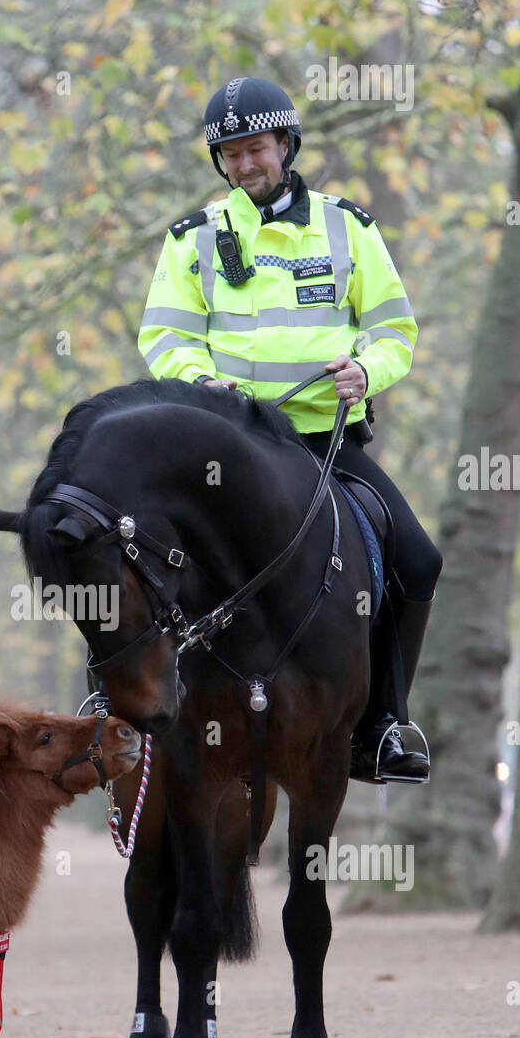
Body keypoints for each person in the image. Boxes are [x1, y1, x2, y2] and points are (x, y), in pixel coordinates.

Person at [137, 76, 441, 782]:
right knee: (133, 540)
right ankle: (126, 697)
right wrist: (199, 379)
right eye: (230, 155)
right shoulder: (194, 239)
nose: (245, 165)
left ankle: (384, 725)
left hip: (323, 444)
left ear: (286, 145)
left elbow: (394, 330)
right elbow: (165, 337)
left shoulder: (349, 228)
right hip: (229, 446)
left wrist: (367, 371)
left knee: (420, 560)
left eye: (255, 149)